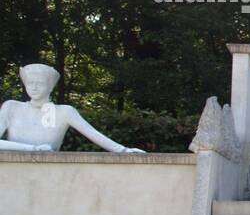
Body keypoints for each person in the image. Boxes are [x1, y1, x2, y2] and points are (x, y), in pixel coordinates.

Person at [0, 63, 144, 153]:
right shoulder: (11, 107)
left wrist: (123, 150)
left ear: (50, 87)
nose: (34, 87)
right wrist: (33, 150)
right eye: (30, 82)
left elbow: (92, 133)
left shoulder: (64, 112)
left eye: (39, 83)